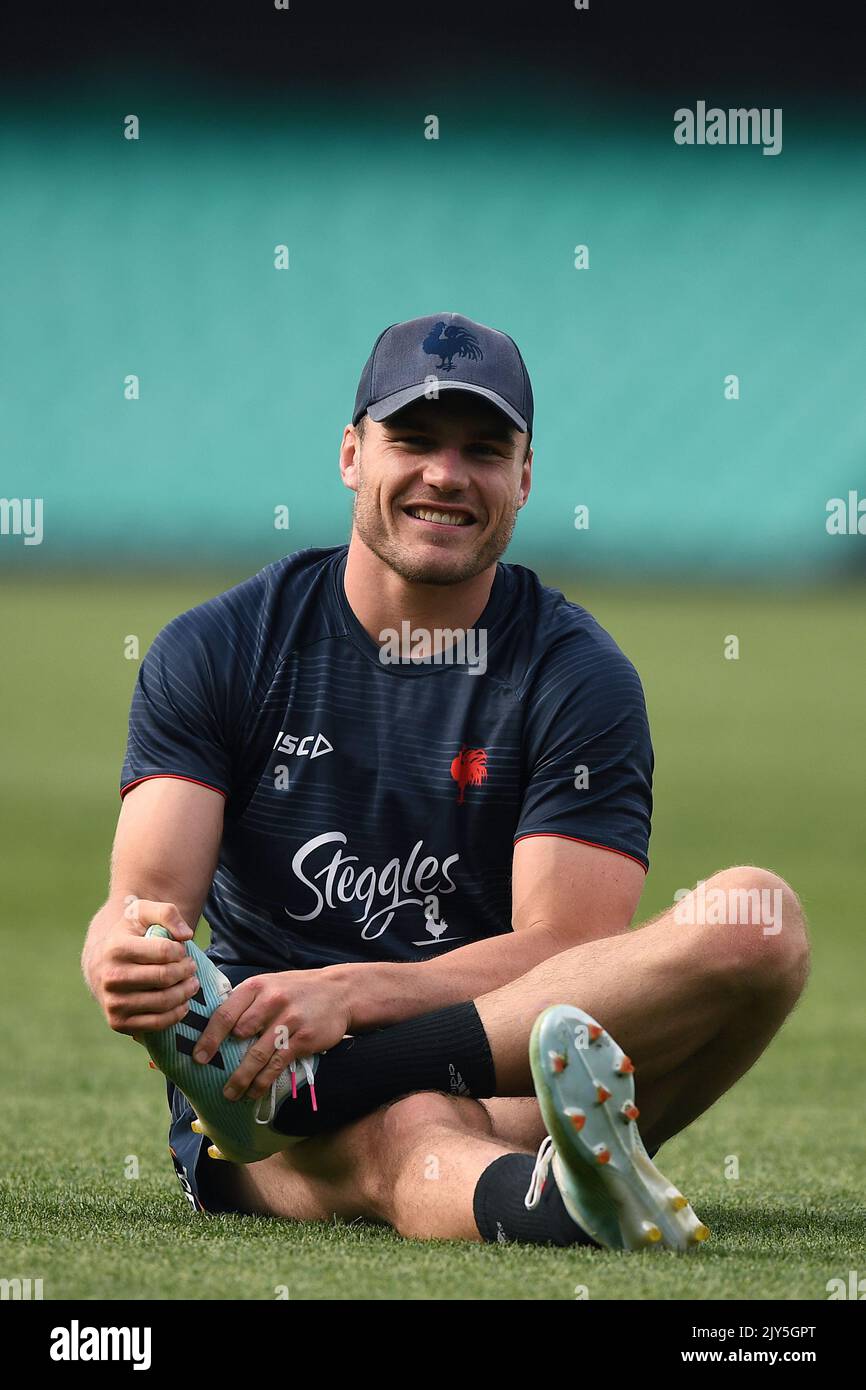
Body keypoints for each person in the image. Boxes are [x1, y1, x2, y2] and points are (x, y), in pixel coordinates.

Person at [81, 313, 810, 1250]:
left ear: (525, 477)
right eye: (413, 441)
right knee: (412, 1126)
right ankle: (552, 1204)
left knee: (762, 921)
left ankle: (378, 1109)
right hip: (263, 1084)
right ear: (351, 455)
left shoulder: (575, 672)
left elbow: (568, 956)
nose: (446, 475)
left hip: (484, 1063)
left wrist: (354, 998)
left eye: (483, 450)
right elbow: (144, 909)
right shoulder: (223, 648)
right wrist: (121, 956)